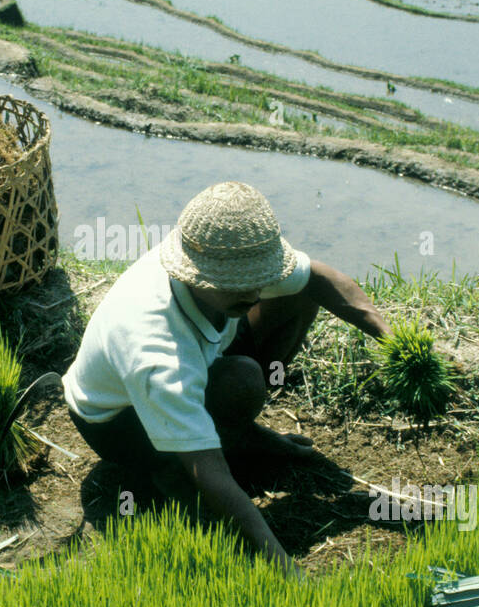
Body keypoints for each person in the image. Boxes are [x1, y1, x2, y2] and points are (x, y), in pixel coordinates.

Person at [63, 181, 391, 573]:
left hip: (193, 366)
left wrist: (397, 344)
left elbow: (321, 279)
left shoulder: (226, 265)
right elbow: (212, 473)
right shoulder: (156, 348)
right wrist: (283, 566)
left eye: (259, 278)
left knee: (298, 297)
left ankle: (237, 434)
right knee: (238, 388)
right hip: (121, 425)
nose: (255, 292)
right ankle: (170, 468)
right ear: (198, 277)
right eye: (240, 285)